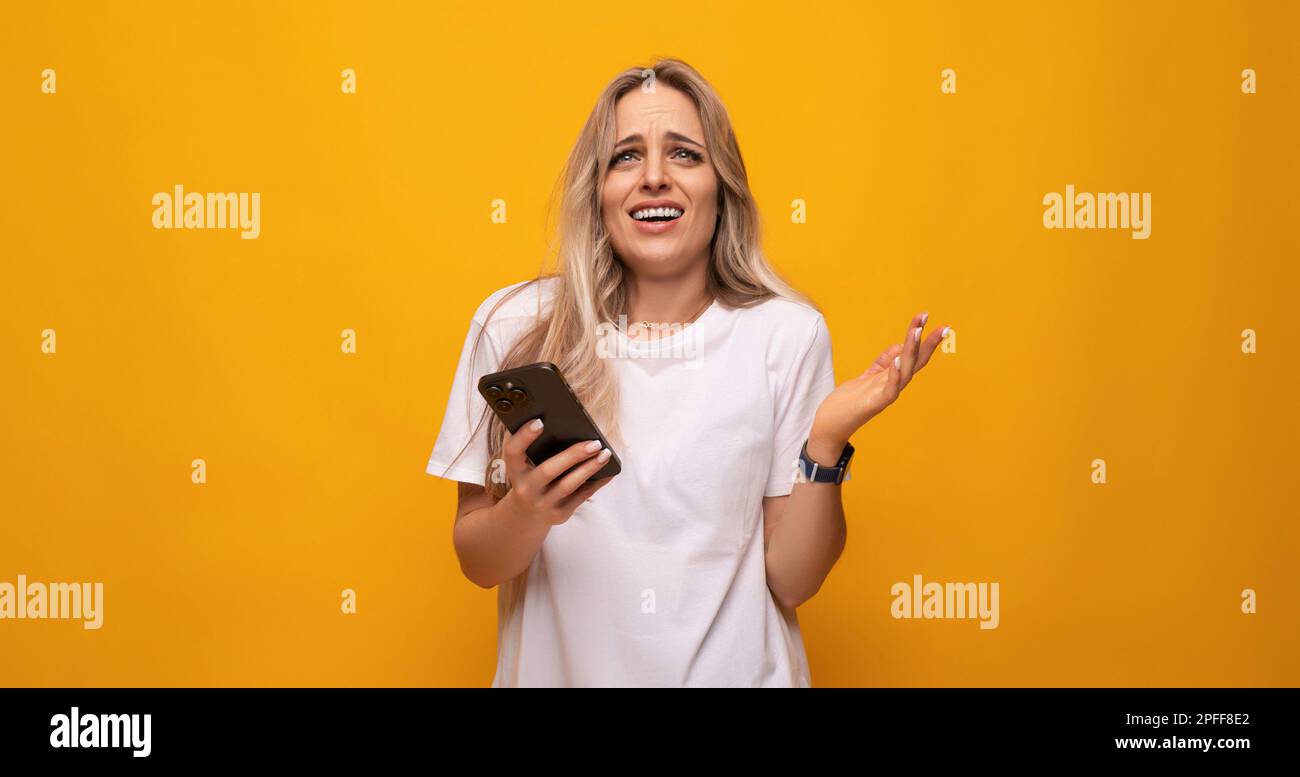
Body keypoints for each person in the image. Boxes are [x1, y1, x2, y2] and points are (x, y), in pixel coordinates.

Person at [427, 58, 949, 687]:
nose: (653, 178)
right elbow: (478, 562)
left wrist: (826, 444)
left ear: (721, 186)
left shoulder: (786, 335)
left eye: (684, 155)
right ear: (597, 190)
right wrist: (530, 511)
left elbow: (793, 579)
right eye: (625, 157)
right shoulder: (515, 325)